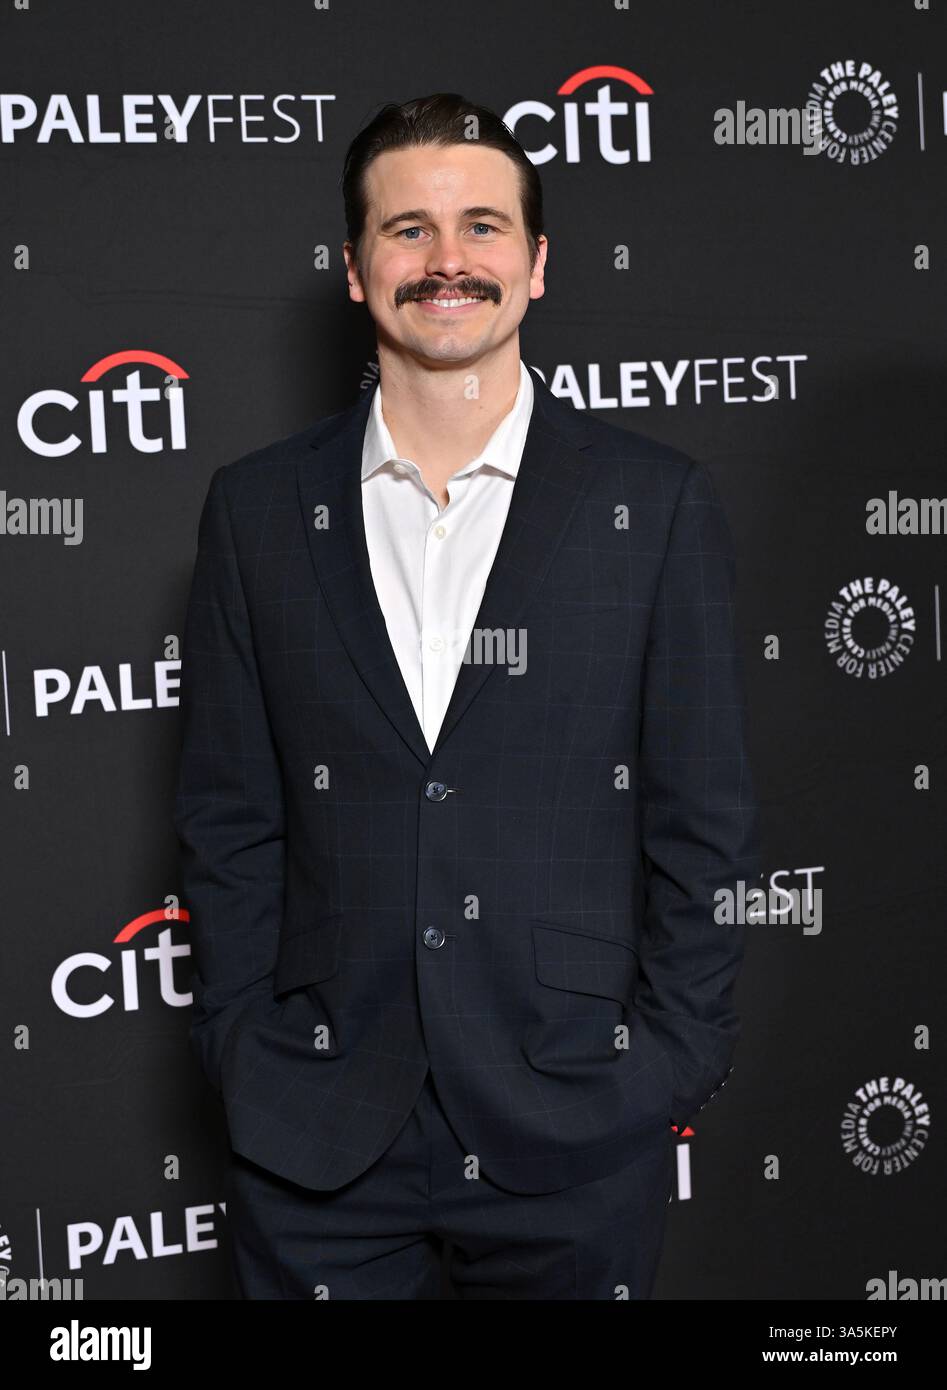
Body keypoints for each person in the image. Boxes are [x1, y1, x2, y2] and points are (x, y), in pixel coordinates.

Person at [173, 92, 760, 1300]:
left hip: (573, 1116)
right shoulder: (257, 509)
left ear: (536, 265)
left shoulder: (650, 506)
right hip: (319, 1125)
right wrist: (241, 1042)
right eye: (408, 231)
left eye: (482, 227)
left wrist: (668, 1059)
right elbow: (228, 815)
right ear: (354, 269)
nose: (448, 262)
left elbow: (701, 817)